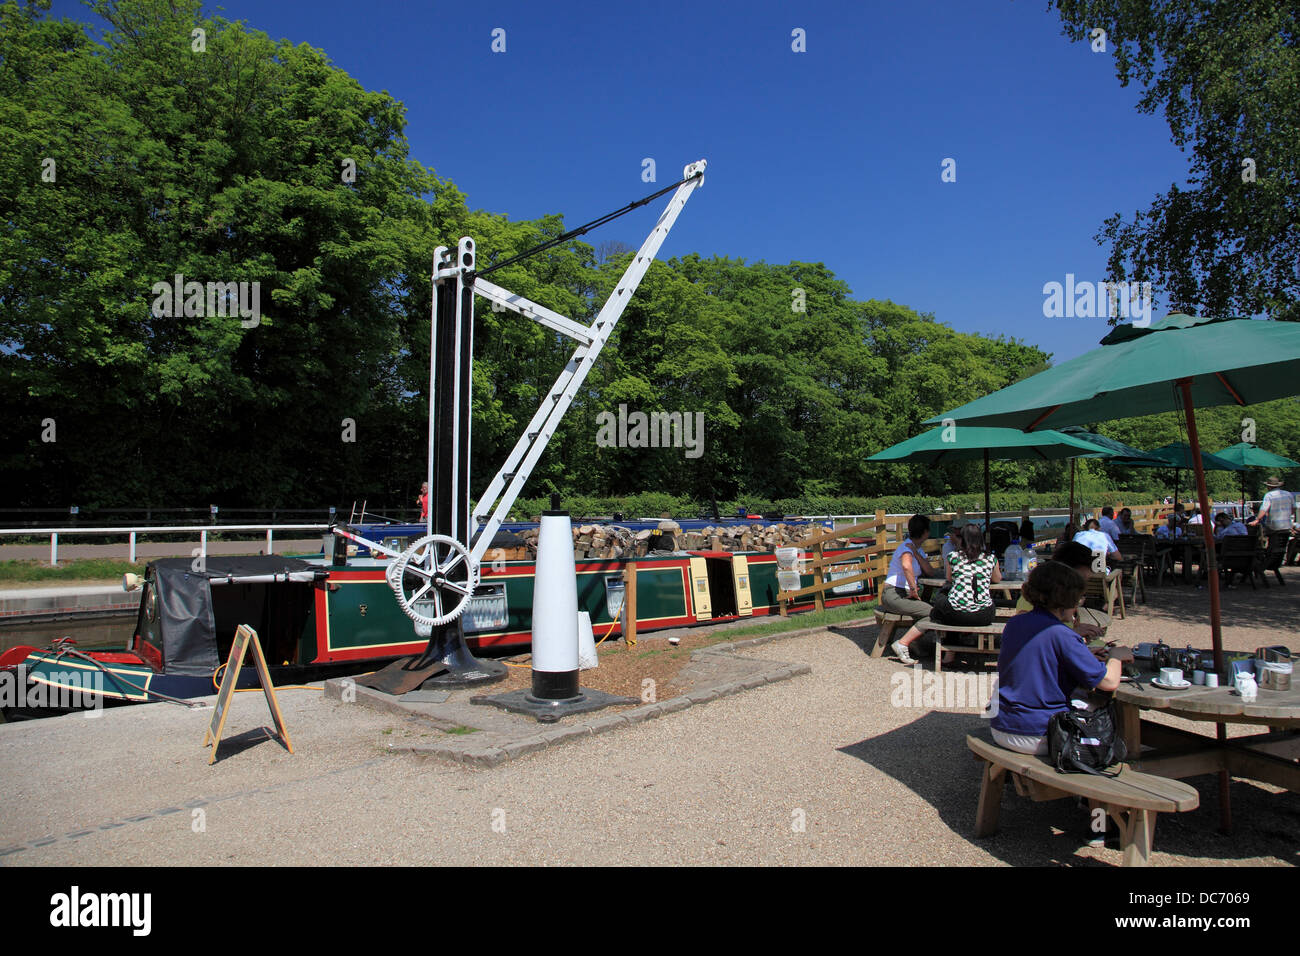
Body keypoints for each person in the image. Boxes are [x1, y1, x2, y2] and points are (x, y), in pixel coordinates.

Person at [989, 561, 1128, 756]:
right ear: (1067, 600)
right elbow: (1108, 682)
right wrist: (1116, 656)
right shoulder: (1061, 633)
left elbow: (1040, 657)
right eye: (1078, 600)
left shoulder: (1015, 622)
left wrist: (1084, 654)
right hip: (1040, 733)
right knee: (1103, 709)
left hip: (1001, 724)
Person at [893, 524, 1001, 665]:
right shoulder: (990, 558)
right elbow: (997, 579)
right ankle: (952, 653)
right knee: (957, 604)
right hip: (983, 614)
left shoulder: (953, 557)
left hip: (956, 613)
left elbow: (949, 578)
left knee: (947, 603)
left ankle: (947, 654)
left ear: (962, 539)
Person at [1013, 541, 1106, 639]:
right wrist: (1073, 633)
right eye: (1079, 579)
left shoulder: (1051, 597)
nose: (1081, 589)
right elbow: (1031, 636)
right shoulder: (1036, 598)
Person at [883, 515, 939, 664]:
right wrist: (913, 589)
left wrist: (916, 554)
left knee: (933, 608)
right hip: (894, 593)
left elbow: (930, 571)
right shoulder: (906, 547)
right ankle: (903, 644)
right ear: (925, 532)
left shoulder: (916, 549)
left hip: (901, 593)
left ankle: (913, 641)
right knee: (932, 613)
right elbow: (906, 566)